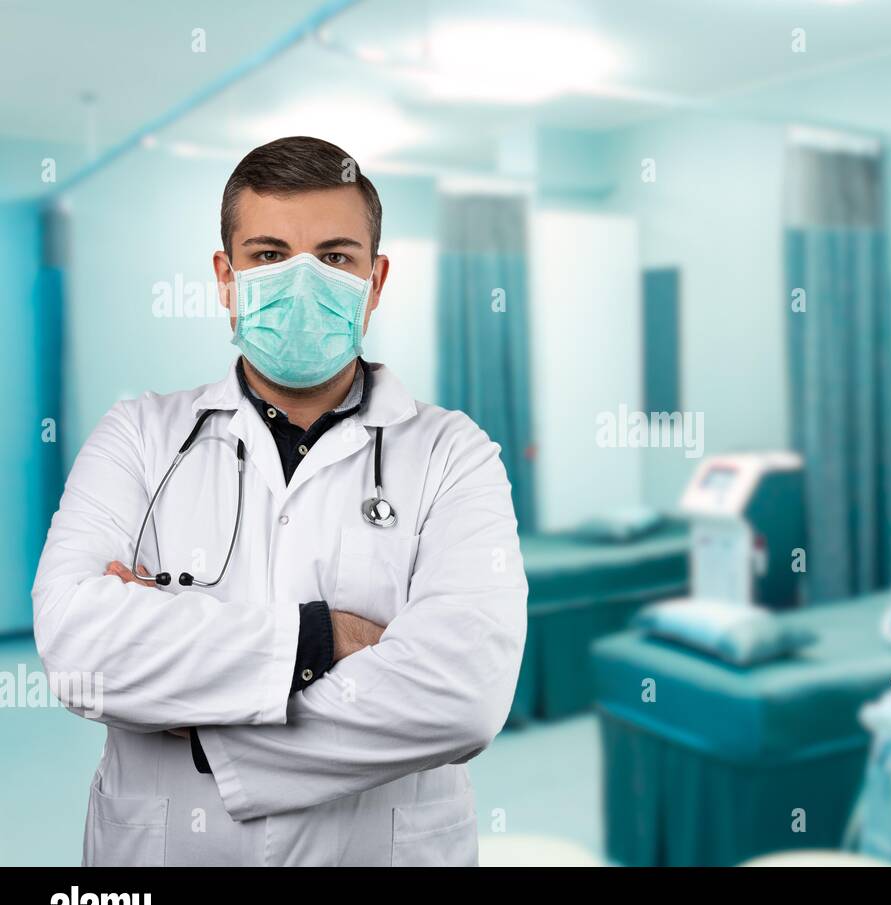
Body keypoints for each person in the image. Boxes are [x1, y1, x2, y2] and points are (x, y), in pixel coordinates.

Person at [31, 136, 528, 866]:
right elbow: (78, 645)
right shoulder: (138, 435)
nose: (302, 282)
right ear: (225, 277)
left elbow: (464, 695)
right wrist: (319, 641)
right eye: (268, 256)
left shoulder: (455, 453)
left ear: (375, 279)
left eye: (334, 257)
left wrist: (200, 717)